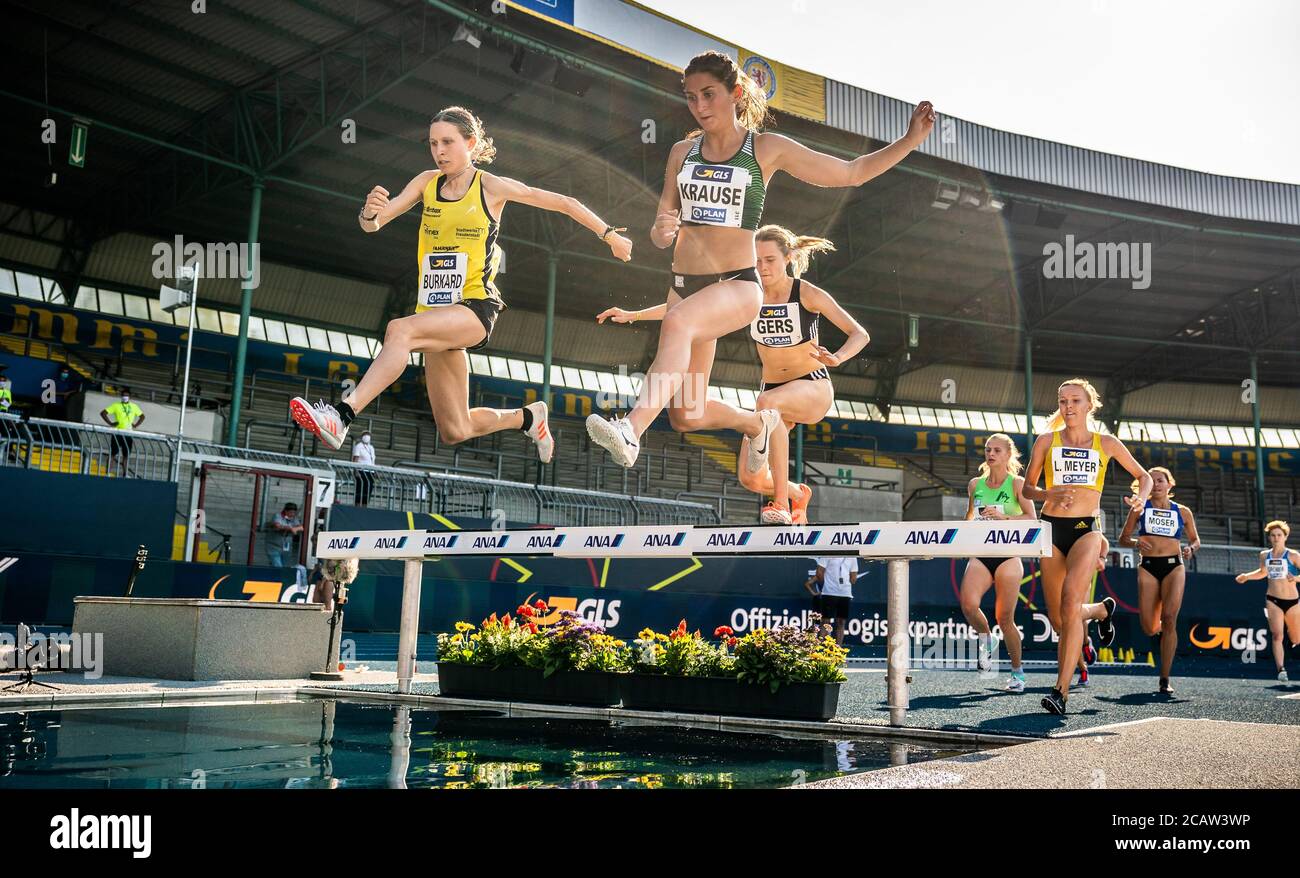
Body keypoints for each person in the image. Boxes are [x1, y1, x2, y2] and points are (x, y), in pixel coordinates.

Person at [585, 50, 933, 524]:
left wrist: (910, 141)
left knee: (679, 324)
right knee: (686, 414)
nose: (700, 106)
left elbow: (849, 173)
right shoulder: (680, 153)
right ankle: (757, 423)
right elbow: (661, 223)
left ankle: (630, 429)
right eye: (691, 98)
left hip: (736, 285)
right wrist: (662, 230)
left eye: (709, 94)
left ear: (735, 93)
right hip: (685, 282)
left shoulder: (765, 149)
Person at [290, 106, 632, 465]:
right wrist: (369, 212)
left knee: (398, 330)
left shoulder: (490, 187)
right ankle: (530, 418)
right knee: (455, 428)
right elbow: (376, 224)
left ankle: (341, 417)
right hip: (436, 313)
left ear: (470, 143)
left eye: (448, 142)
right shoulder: (426, 183)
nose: (439, 151)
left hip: (474, 308)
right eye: (433, 143)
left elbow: (563, 203)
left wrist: (608, 234)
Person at [597, 225, 868, 524]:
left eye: (770, 260)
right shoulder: (751, 293)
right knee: (750, 478)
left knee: (767, 404)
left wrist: (839, 357)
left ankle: (779, 504)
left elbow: (859, 334)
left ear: (788, 258)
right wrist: (633, 314)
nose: (762, 268)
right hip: (773, 390)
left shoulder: (805, 293)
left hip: (812, 387)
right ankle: (796, 493)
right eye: (757, 261)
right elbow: (687, 308)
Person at [1021, 378, 1152, 715]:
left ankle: (1059, 692)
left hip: (1086, 530)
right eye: (1062, 401)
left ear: (1089, 404)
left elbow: (1145, 476)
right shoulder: (1046, 441)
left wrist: (1141, 498)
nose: (1068, 407)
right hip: (1051, 529)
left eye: (1075, 401)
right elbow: (1028, 490)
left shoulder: (1105, 443)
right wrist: (1047, 494)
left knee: (1068, 602)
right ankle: (1099, 611)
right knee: (1059, 620)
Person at [959, 433, 1036, 692]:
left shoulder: (1017, 483)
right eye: (988, 449)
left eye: (997, 450)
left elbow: (1031, 518)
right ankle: (986, 638)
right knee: (969, 605)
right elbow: (969, 517)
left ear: (1008, 455)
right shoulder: (974, 485)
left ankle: (1018, 674)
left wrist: (1004, 520)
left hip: (1008, 556)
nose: (991, 454)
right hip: (982, 554)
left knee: (1005, 618)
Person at [1117, 467, 1200, 693]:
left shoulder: (1183, 512)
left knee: (1170, 618)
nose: (1157, 484)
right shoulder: (1140, 509)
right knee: (1149, 627)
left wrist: (1190, 548)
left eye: (1160, 480)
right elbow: (1123, 538)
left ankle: (1165, 678)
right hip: (1149, 567)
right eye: (1151, 481)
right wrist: (1135, 543)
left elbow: (1195, 540)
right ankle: (1164, 632)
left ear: (1169, 484)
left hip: (1174, 566)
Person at [1235, 519, 1300, 682]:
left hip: (1292, 601)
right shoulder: (1265, 555)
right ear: (1269, 537)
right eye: (1273, 535)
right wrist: (1247, 577)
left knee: (1296, 638)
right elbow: (1263, 572)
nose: (1276, 538)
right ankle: (1281, 669)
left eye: (1279, 535)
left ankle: (1294, 640)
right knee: (1277, 635)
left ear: (1285, 537)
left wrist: (1296, 578)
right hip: (1272, 599)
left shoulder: (1293, 555)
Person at [815, 555, 858, 647]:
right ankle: (819, 649)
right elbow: (819, 572)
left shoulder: (852, 557)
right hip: (829, 593)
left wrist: (844, 583)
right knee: (825, 621)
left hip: (845, 594)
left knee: (841, 622)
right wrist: (826, 585)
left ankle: (837, 650)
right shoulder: (829, 553)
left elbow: (854, 579)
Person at [100, 389, 144, 477]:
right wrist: (111, 423)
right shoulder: (116, 405)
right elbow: (103, 413)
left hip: (128, 433)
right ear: (121, 396)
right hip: (117, 432)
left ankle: (125, 474)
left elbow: (142, 416)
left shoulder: (134, 406)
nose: (125, 397)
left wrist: (135, 425)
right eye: (124, 395)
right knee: (113, 453)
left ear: (129, 397)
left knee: (126, 455)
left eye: (127, 395)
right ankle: (107, 473)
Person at [267, 502, 303, 568]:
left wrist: (295, 529)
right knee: (277, 566)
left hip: (286, 547)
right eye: (291, 512)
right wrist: (290, 528)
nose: (292, 514)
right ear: (285, 511)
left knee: (285, 566)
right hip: (274, 546)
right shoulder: (278, 516)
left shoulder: (294, 518)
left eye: (294, 512)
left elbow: (300, 527)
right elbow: (277, 525)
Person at [352, 430, 376, 506]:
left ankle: (365, 506)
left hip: (370, 472)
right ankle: (357, 506)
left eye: (368, 434)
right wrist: (356, 471)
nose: (367, 436)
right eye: (365, 434)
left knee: (367, 491)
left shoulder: (371, 448)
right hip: (361, 471)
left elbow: (372, 461)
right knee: (360, 491)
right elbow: (355, 459)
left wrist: (375, 471)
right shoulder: (358, 446)